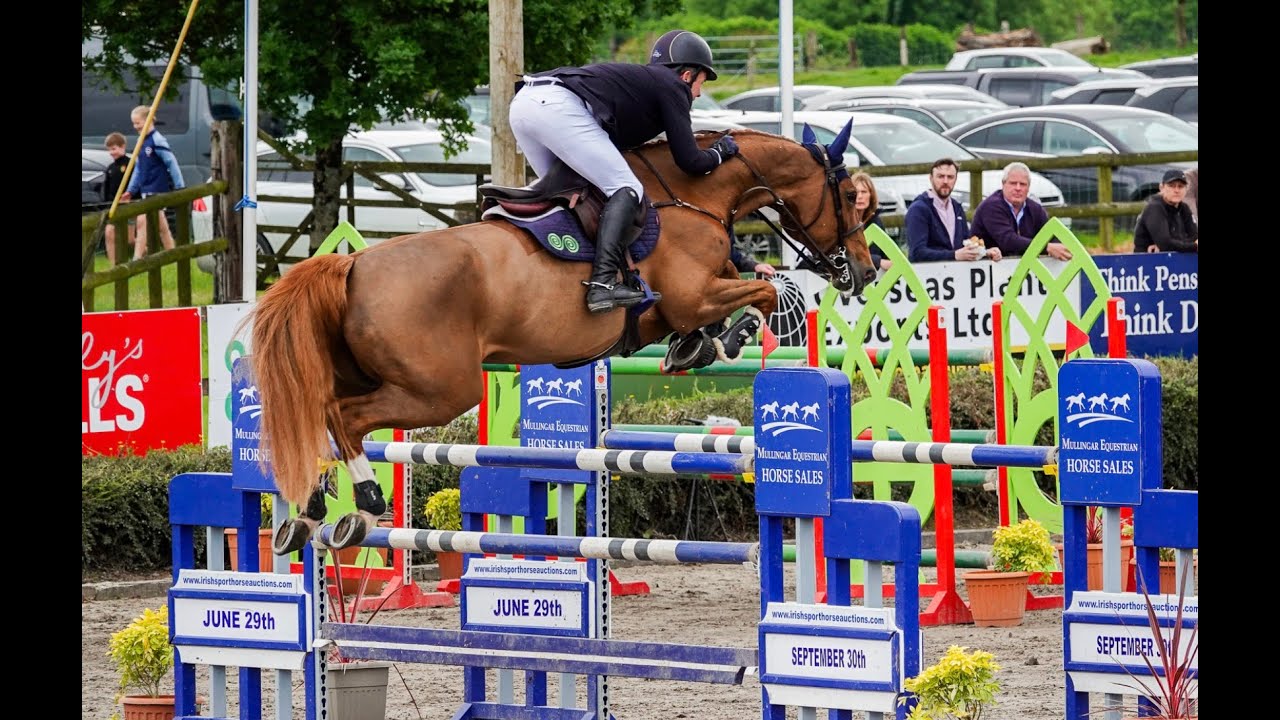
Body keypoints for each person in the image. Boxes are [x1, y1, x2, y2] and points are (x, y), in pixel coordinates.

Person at [508, 30, 739, 314]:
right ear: (688, 75)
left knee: (570, 195)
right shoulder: (672, 85)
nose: (699, 93)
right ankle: (603, 284)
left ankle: (555, 274)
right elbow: (691, 161)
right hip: (557, 106)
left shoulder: (642, 85)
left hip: (523, 106)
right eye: (701, 82)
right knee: (626, 189)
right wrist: (721, 151)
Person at [905, 158, 1001, 263]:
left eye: (950, 177)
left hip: (956, 274)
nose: (945, 181)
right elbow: (917, 253)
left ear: (955, 179)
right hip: (926, 275)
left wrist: (984, 252)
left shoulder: (957, 208)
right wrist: (954, 255)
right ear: (931, 178)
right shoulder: (918, 209)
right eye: (940, 176)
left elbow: (965, 245)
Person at [970, 161, 1070, 261]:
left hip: (1023, 267)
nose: (1018, 188)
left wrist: (1059, 248)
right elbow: (1008, 241)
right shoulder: (991, 206)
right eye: (1013, 183)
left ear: (1028, 188)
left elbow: (1051, 236)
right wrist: (1046, 247)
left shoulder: (1035, 209)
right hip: (988, 265)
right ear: (1003, 184)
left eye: (1022, 184)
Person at [121, 105, 185, 260]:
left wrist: (180, 186)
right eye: (134, 123)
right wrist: (131, 189)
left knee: (142, 221)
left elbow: (172, 162)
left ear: (148, 120)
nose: (135, 126)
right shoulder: (140, 141)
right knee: (162, 226)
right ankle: (173, 254)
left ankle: (137, 258)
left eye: (138, 123)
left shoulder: (157, 140)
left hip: (157, 188)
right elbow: (138, 168)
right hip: (145, 188)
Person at [1133, 169, 1198, 253]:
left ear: (1186, 189)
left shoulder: (1184, 208)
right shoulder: (1154, 207)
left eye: (1180, 186)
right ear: (1161, 188)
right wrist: (1193, 246)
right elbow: (1165, 243)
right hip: (1146, 261)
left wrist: (1186, 245)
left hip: (1174, 260)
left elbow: (1194, 236)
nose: (1176, 190)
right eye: (1171, 186)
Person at [101, 131, 136, 265]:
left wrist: (131, 197)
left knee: (130, 240)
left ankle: (146, 253)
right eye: (109, 150)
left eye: (114, 149)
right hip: (114, 207)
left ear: (123, 147)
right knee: (109, 233)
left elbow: (136, 184)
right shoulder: (110, 168)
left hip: (129, 205)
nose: (112, 152)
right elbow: (107, 189)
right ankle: (113, 265)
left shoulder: (130, 164)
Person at [850, 172, 894, 272]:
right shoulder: (844, 223)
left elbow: (887, 253)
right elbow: (848, 255)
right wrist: (878, 261)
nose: (860, 196)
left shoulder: (876, 222)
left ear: (871, 195)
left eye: (864, 192)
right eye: (856, 192)